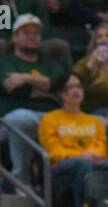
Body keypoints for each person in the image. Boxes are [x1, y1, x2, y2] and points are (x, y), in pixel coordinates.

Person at [38, 72, 108, 207]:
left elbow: (102, 148)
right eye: (70, 87)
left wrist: (92, 155)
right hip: (62, 166)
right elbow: (54, 151)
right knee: (84, 165)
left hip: (92, 161)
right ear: (61, 93)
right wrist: (83, 155)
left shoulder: (94, 121)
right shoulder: (50, 119)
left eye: (79, 87)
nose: (76, 91)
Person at [0, 13, 65, 185]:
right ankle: (20, 180)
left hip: (52, 117)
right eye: (26, 32)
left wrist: (25, 78)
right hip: (10, 121)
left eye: (36, 33)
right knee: (22, 118)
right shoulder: (4, 62)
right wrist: (47, 88)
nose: (32, 36)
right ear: (14, 37)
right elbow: (13, 90)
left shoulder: (51, 65)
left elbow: (60, 86)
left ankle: (56, 183)